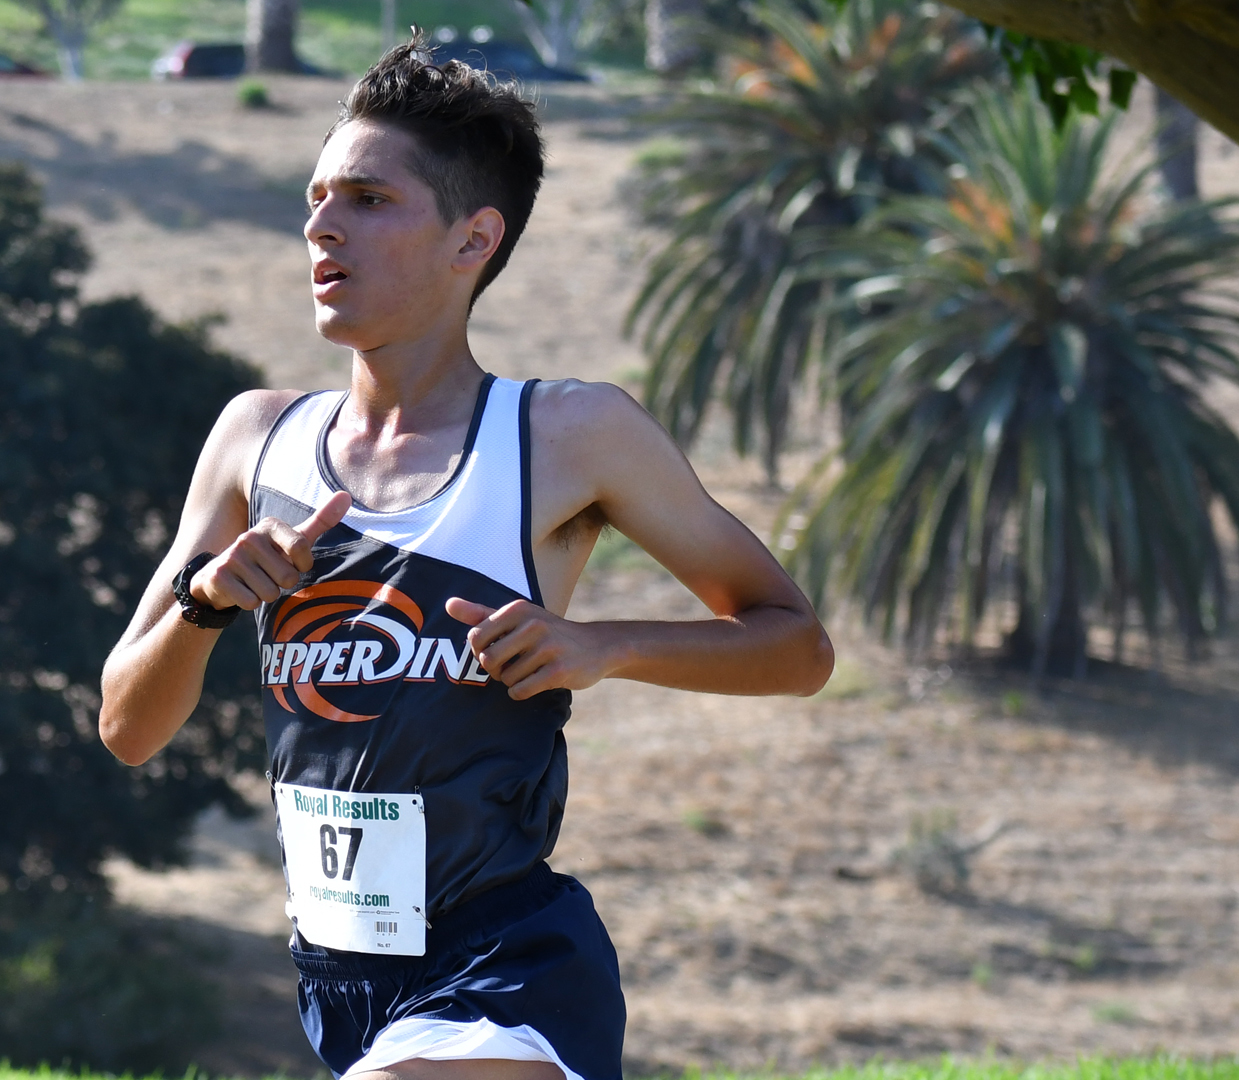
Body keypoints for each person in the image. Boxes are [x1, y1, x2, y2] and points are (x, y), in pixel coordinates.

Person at [100, 37, 834, 1080]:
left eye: (366, 198)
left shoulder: (570, 434)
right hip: (338, 973)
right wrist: (205, 603)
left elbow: (797, 646)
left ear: (472, 239)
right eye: (316, 196)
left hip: (507, 964)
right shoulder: (252, 440)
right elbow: (127, 728)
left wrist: (598, 645)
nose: (320, 227)